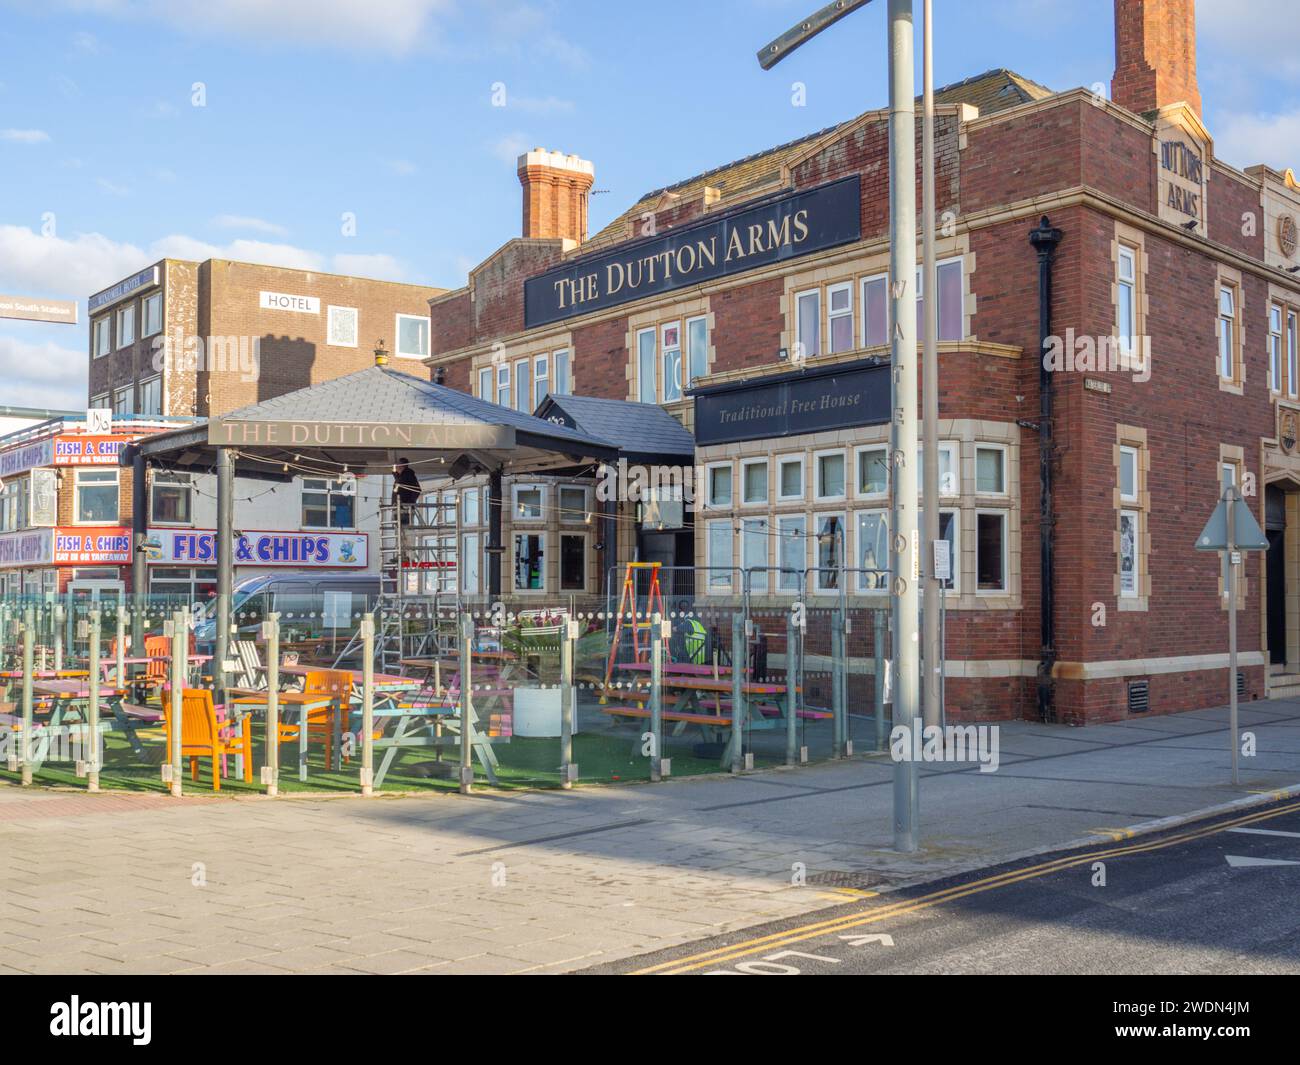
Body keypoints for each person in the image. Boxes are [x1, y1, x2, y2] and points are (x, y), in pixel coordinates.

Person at [392, 457, 422, 527]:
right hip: (400, 506)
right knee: (400, 529)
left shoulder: (408, 475)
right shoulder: (403, 476)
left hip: (404, 508)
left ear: (402, 466)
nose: (396, 467)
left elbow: (417, 490)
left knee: (403, 529)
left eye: (398, 465)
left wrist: (408, 503)